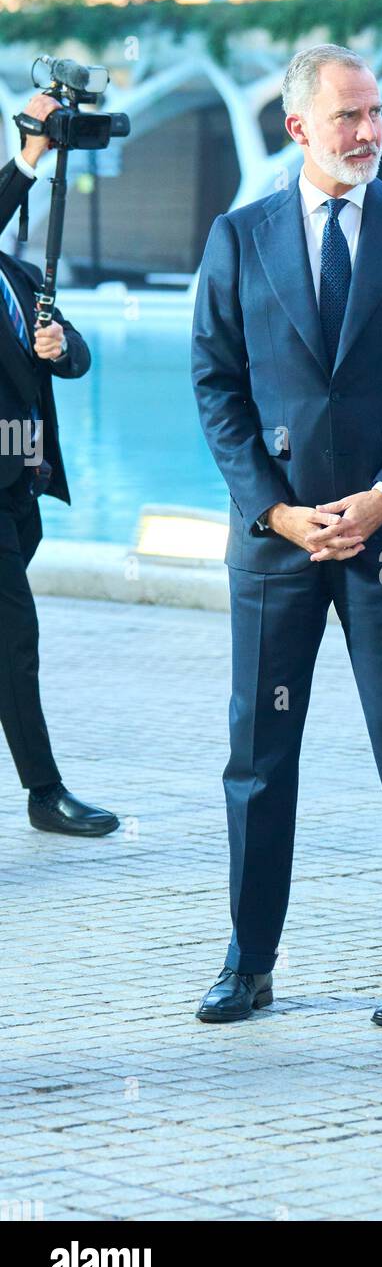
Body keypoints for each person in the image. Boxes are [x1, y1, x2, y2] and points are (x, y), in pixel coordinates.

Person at [192, 44, 382, 1028]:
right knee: (258, 753)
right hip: (275, 543)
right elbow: (216, 387)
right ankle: (249, 958)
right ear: (298, 128)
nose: (368, 132)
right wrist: (271, 509)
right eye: (348, 116)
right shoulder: (239, 238)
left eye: (374, 113)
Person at [0, 94, 119, 837]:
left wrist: (60, 347)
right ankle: (46, 793)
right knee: (15, 639)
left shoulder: (14, 270)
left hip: (21, 487)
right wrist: (30, 154)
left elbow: (70, 352)